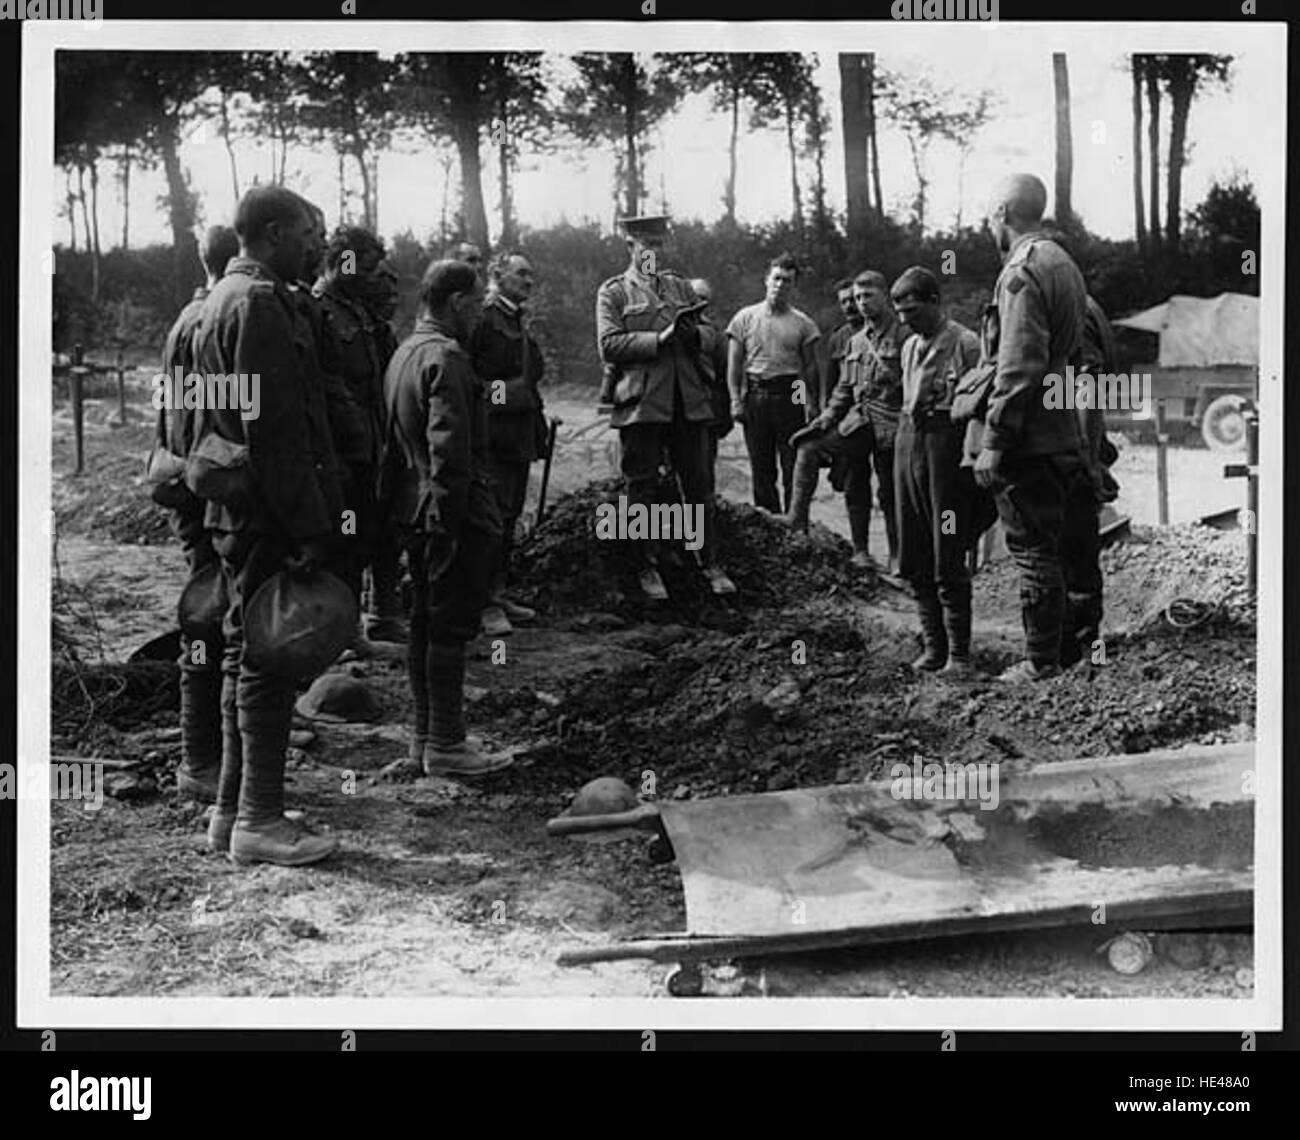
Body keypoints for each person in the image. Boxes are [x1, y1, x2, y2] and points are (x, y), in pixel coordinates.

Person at [190, 187, 344, 866]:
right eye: (311, 232)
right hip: (267, 512)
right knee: (269, 663)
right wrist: (313, 524)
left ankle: (232, 812)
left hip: (238, 508)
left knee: (241, 654)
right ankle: (260, 819)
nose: (319, 245)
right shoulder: (258, 303)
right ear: (275, 232)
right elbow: (276, 431)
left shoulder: (223, 298)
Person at [383, 260, 515, 776]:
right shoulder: (448, 359)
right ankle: (447, 745)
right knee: (451, 629)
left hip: (414, 512)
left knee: (424, 624)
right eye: (478, 302)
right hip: (450, 515)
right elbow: (451, 456)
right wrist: (455, 525)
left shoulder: (404, 353)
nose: (481, 313)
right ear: (457, 302)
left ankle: (424, 740)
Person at [972, 173, 1090, 683]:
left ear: (1002, 212)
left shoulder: (1020, 270)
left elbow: (1018, 364)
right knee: (1059, 547)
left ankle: (1041, 663)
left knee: (1032, 549)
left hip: (1030, 437)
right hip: (1061, 429)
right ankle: (1066, 655)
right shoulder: (1063, 263)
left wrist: (994, 441)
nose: (988, 227)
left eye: (989, 217)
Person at [595, 214, 734, 599]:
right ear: (630, 247)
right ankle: (647, 566)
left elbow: (711, 335)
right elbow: (609, 344)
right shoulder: (615, 292)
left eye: (658, 244)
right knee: (641, 487)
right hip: (642, 404)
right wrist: (661, 338)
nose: (652, 251)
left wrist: (694, 337)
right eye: (645, 245)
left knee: (699, 485)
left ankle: (708, 561)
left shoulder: (681, 288)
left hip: (688, 402)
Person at [157, 224, 240, 804]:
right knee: (206, 617)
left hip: (191, 479)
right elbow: (197, 423)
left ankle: (217, 739)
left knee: (215, 614)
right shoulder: (206, 321)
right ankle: (199, 757)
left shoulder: (194, 314)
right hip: (200, 488)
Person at [889, 267, 982, 675]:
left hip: (947, 451)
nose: (906, 319)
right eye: (900, 313)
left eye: (912, 310)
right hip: (910, 446)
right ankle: (933, 647)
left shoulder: (966, 343)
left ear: (933, 301)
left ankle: (959, 655)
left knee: (948, 550)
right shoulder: (909, 346)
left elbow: (981, 405)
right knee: (914, 552)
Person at [781, 269, 903, 574]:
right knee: (813, 450)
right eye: (858, 297)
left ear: (885, 297)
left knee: (891, 495)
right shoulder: (856, 341)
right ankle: (802, 527)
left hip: (895, 426)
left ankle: (899, 558)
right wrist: (825, 419)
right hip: (859, 423)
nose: (862, 303)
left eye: (868, 296)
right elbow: (844, 389)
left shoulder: (905, 335)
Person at [313, 227, 390, 648]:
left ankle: (350, 629)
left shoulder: (356, 311)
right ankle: (333, 636)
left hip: (365, 453)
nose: (369, 276)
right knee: (339, 543)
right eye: (364, 266)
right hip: (338, 456)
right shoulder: (317, 309)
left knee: (359, 539)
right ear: (343, 261)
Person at [469, 250, 547, 636]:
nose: (528, 281)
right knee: (491, 520)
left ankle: (498, 592)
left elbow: (531, 376)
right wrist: (509, 396)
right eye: (521, 274)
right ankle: (481, 603)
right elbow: (470, 383)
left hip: (518, 436)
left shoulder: (518, 320)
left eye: (531, 275)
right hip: (491, 437)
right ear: (498, 275)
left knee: (510, 516)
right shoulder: (482, 320)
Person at [726, 253, 821, 514]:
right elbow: (734, 364)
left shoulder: (803, 323)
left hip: (791, 394)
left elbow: (809, 368)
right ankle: (768, 519)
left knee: (793, 463)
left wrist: (812, 404)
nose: (780, 285)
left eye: (787, 281)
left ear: (794, 286)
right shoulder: (744, 318)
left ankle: (794, 522)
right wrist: (735, 400)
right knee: (761, 465)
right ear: (766, 280)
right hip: (755, 394)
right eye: (776, 278)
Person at [1059, 293, 1121, 668]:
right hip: (1075, 445)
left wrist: (1089, 462)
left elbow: (1088, 387)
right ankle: (1077, 651)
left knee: (1074, 556)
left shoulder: (1074, 310)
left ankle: (1081, 654)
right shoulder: (1084, 305)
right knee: (1075, 554)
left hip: (1071, 452)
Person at [359, 258, 409, 643]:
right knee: (352, 533)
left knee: (388, 530)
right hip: (358, 446)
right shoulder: (349, 326)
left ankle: (383, 611)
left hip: (384, 441)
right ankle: (353, 620)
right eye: (385, 294)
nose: (392, 301)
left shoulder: (382, 333)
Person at [687, 277, 733, 469]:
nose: (696, 302)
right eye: (692, 296)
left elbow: (724, 377)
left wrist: (723, 416)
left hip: (704, 413)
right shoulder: (666, 329)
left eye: (702, 298)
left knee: (704, 470)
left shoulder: (715, 334)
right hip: (670, 412)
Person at [822, 277, 862, 414]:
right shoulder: (837, 338)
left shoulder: (877, 331)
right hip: (844, 408)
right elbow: (831, 381)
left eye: (853, 300)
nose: (848, 306)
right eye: (843, 302)